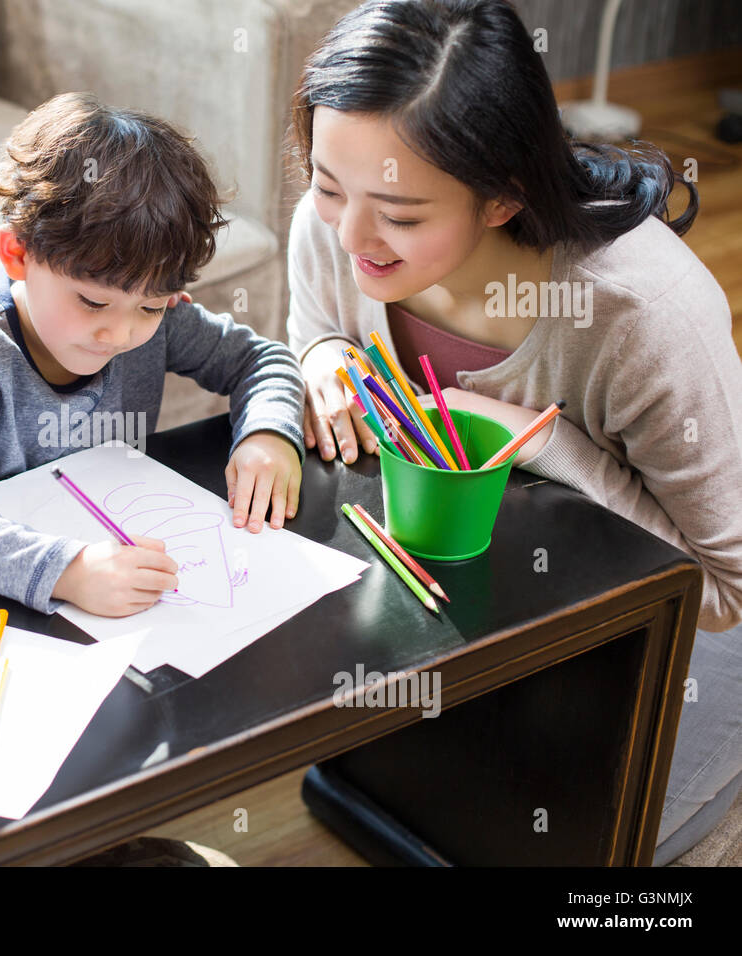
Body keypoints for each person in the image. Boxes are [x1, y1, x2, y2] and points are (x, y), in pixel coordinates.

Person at [287, 0, 742, 863]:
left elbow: (726, 587)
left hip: (650, 646)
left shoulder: (643, 318)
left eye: (401, 213)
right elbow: (317, 325)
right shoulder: (341, 226)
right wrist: (318, 357)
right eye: (325, 184)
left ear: (504, 194)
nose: (348, 235)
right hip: (471, 609)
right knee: (374, 792)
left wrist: (543, 446)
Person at [0, 93, 306, 617]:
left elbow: (262, 359)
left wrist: (268, 434)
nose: (119, 333)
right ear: (18, 254)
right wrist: (66, 571)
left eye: (149, 307)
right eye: (93, 301)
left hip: (133, 585)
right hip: (8, 610)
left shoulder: (157, 320)